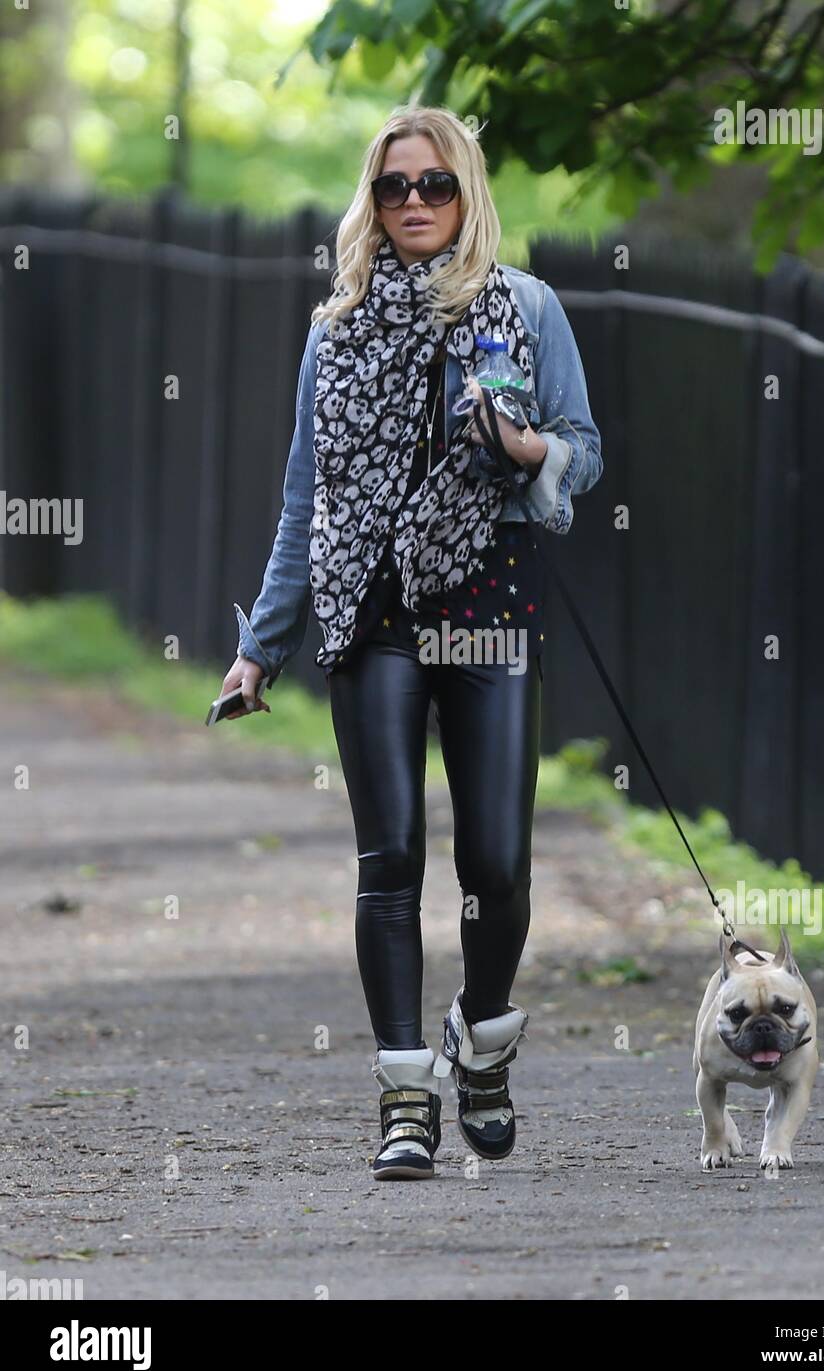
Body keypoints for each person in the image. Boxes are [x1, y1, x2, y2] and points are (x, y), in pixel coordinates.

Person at [217, 105, 603, 1180]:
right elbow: (309, 502)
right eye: (396, 187)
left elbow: (584, 451)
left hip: (487, 604)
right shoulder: (334, 327)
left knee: (498, 861)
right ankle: (403, 1095)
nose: (416, 203)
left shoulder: (524, 306)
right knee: (389, 859)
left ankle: (481, 1043)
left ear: (466, 191)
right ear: (373, 201)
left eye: (435, 184)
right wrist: (264, 645)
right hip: (371, 612)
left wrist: (528, 449)